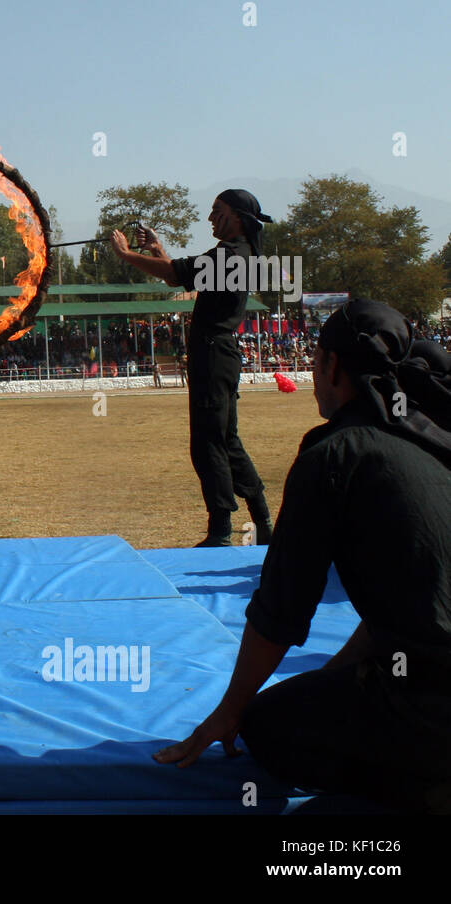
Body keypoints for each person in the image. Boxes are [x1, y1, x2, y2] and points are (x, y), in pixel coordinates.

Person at [154, 299, 451, 813]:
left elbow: (281, 609)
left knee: (269, 726)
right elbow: (404, 602)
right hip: (426, 671)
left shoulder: (336, 455)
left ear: (331, 366)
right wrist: (333, 677)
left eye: (315, 362)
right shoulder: (432, 446)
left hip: (431, 704)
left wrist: (230, 709)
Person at [110, 190, 273, 546]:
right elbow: (176, 275)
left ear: (237, 217)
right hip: (221, 354)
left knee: (208, 442)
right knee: (226, 439)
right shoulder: (241, 254)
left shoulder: (230, 255)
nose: (211, 218)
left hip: (213, 355)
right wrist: (156, 248)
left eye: (218, 211)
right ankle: (261, 522)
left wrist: (126, 254)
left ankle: (220, 530)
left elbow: (172, 273)